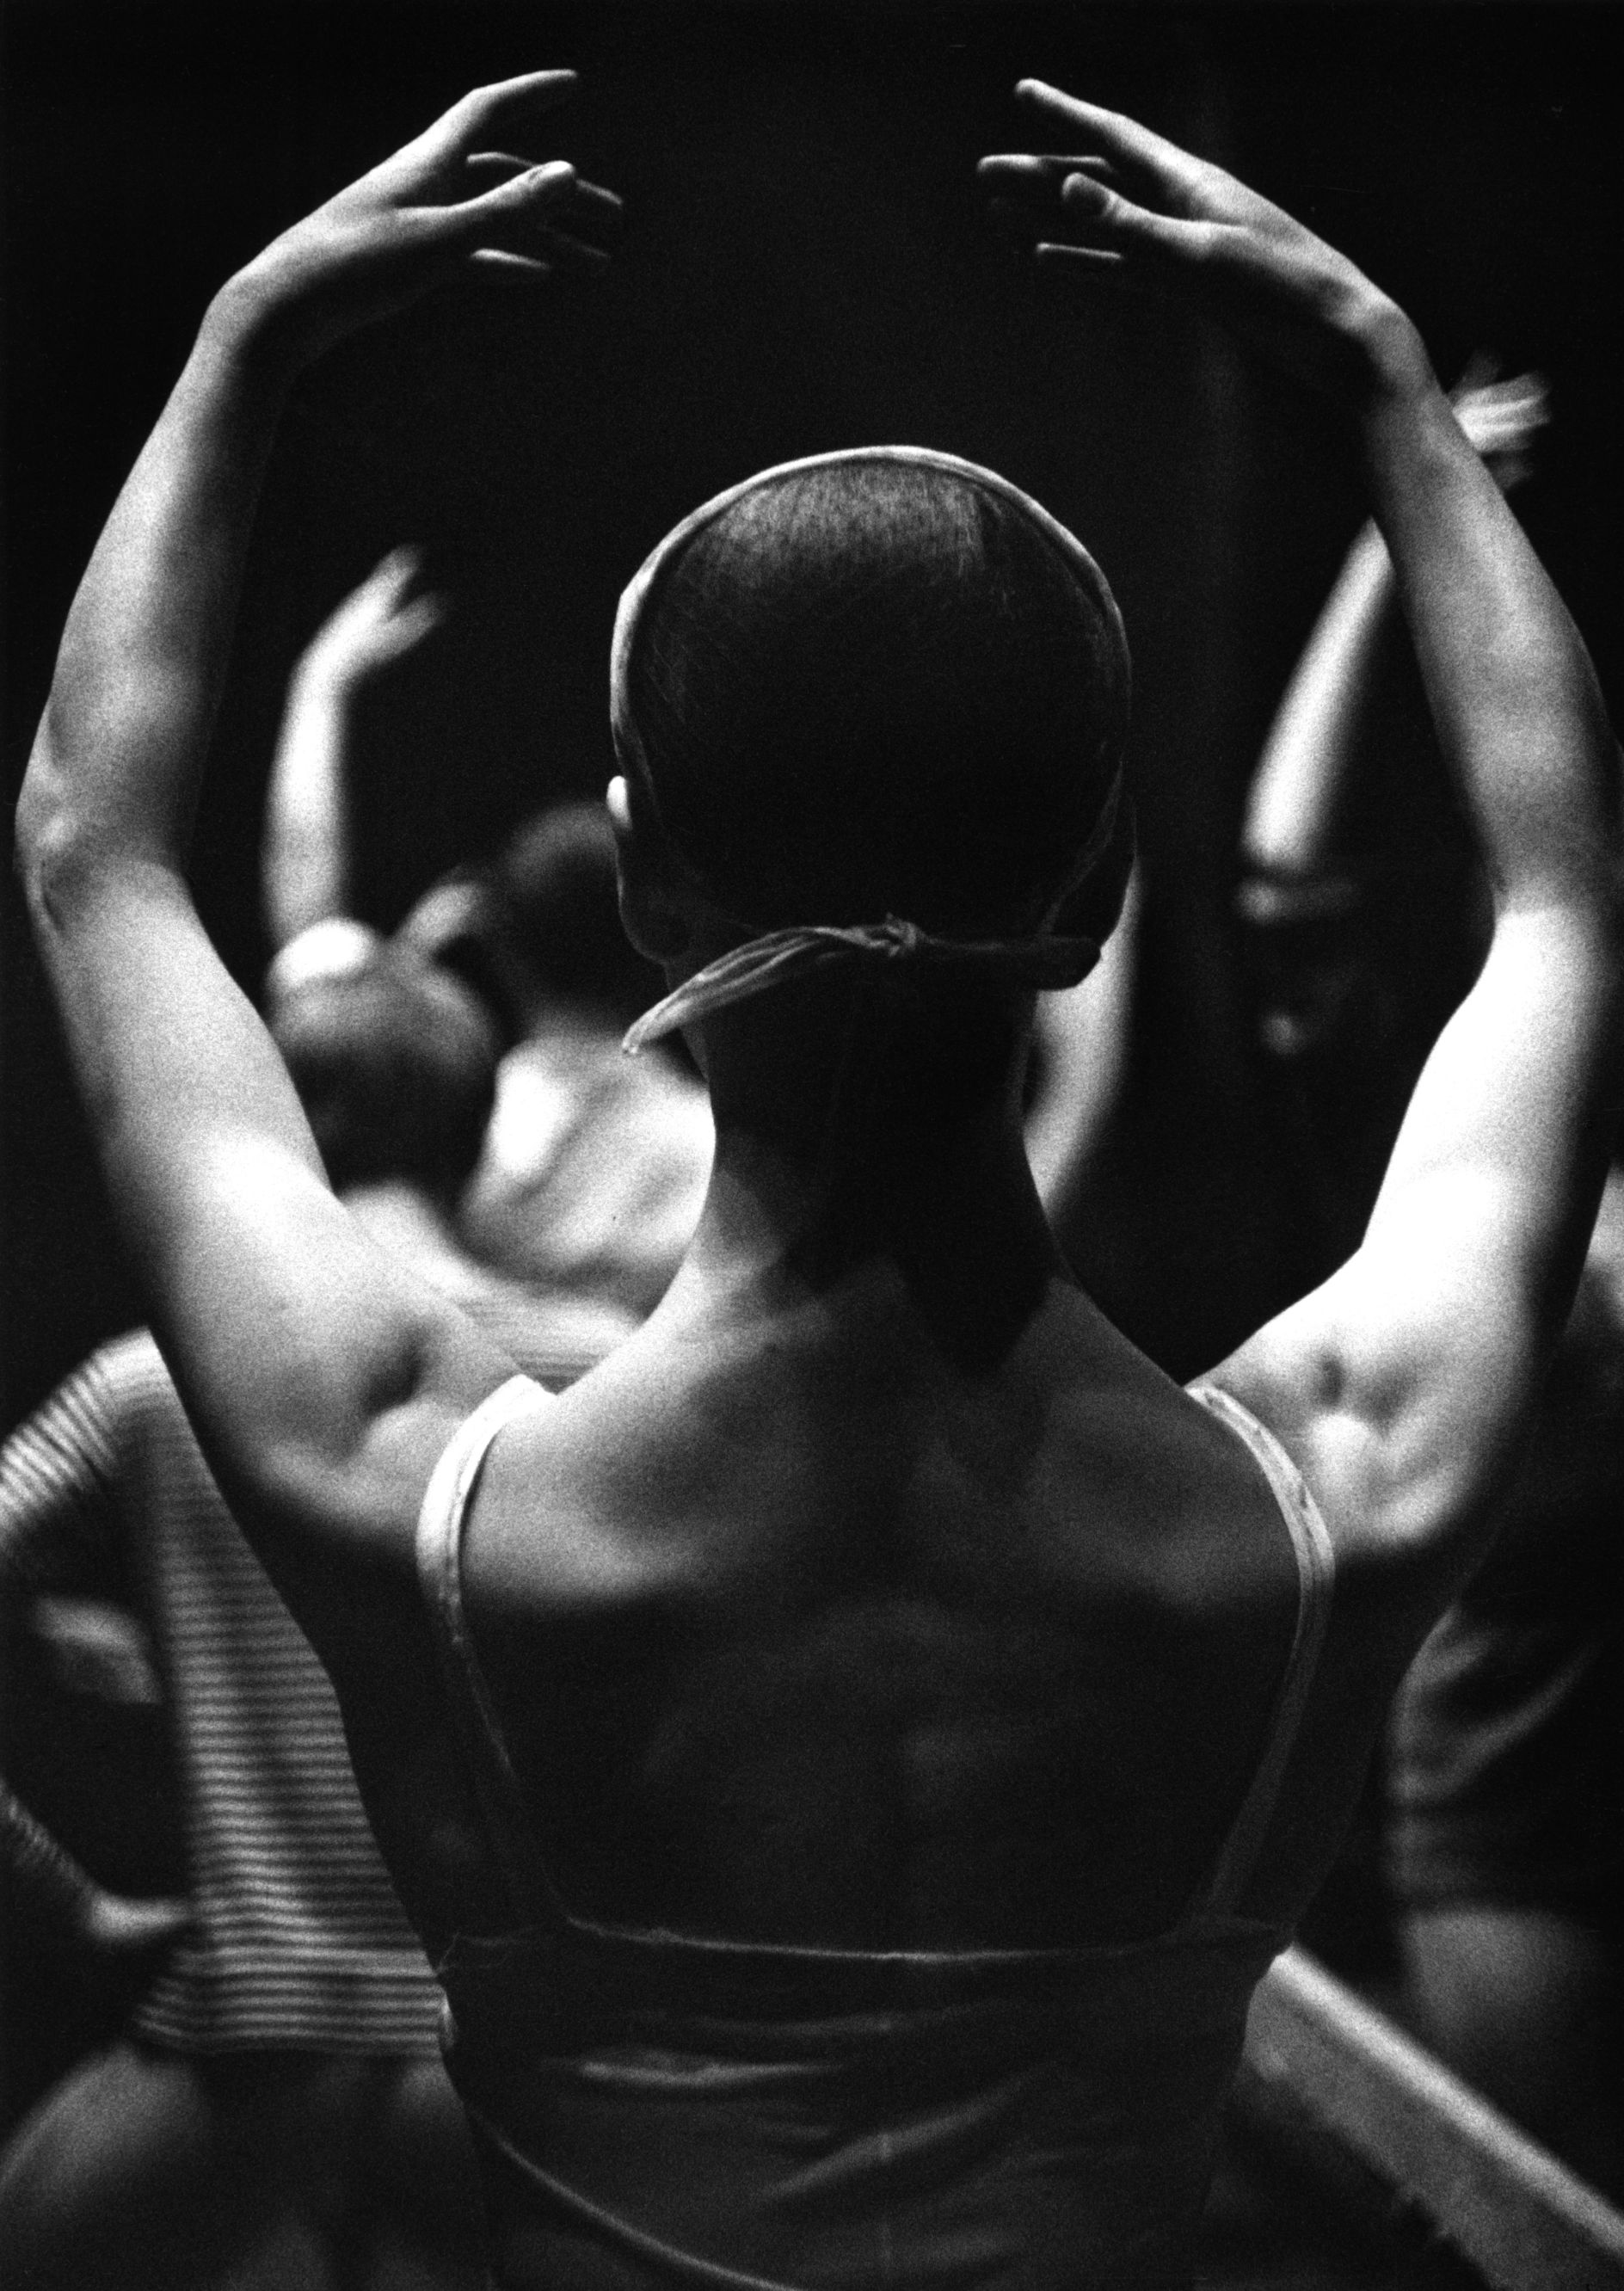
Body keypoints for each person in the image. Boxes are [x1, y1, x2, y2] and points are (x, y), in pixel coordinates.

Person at [15, 66, 1623, 2290]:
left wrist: (238, 346)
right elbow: (1562, 903)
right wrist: (1385, 389)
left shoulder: (409, 1485)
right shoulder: (1335, 1486)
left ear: (643, 883)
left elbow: (94, 848)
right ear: (1100, 893)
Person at [0, 593, 633, 2291]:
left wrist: (60, 1902)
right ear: (471, 1122)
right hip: (522, 2055)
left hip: (255, 2034)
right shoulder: (602, 1375)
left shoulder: (157, 1385)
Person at [1240, 369, 1624, 2194]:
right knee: (1544, 2213)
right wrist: (1385, 543)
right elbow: (1290, 872)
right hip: (1525, 1796)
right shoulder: (1476, 1156)